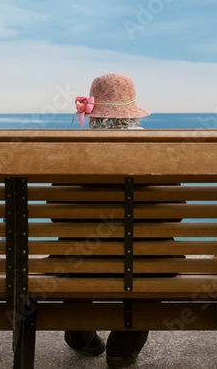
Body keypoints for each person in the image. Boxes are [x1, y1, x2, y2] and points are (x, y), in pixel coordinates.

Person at [64, 73, 151, 369]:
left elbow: (55, 214)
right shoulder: (158, 153)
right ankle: (123, 348)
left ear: (92, 113)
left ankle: (80, 334)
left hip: (79, 264)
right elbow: (175, 213)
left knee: (74, 258)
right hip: (147, 266)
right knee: (147, 259)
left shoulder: (72, 158)